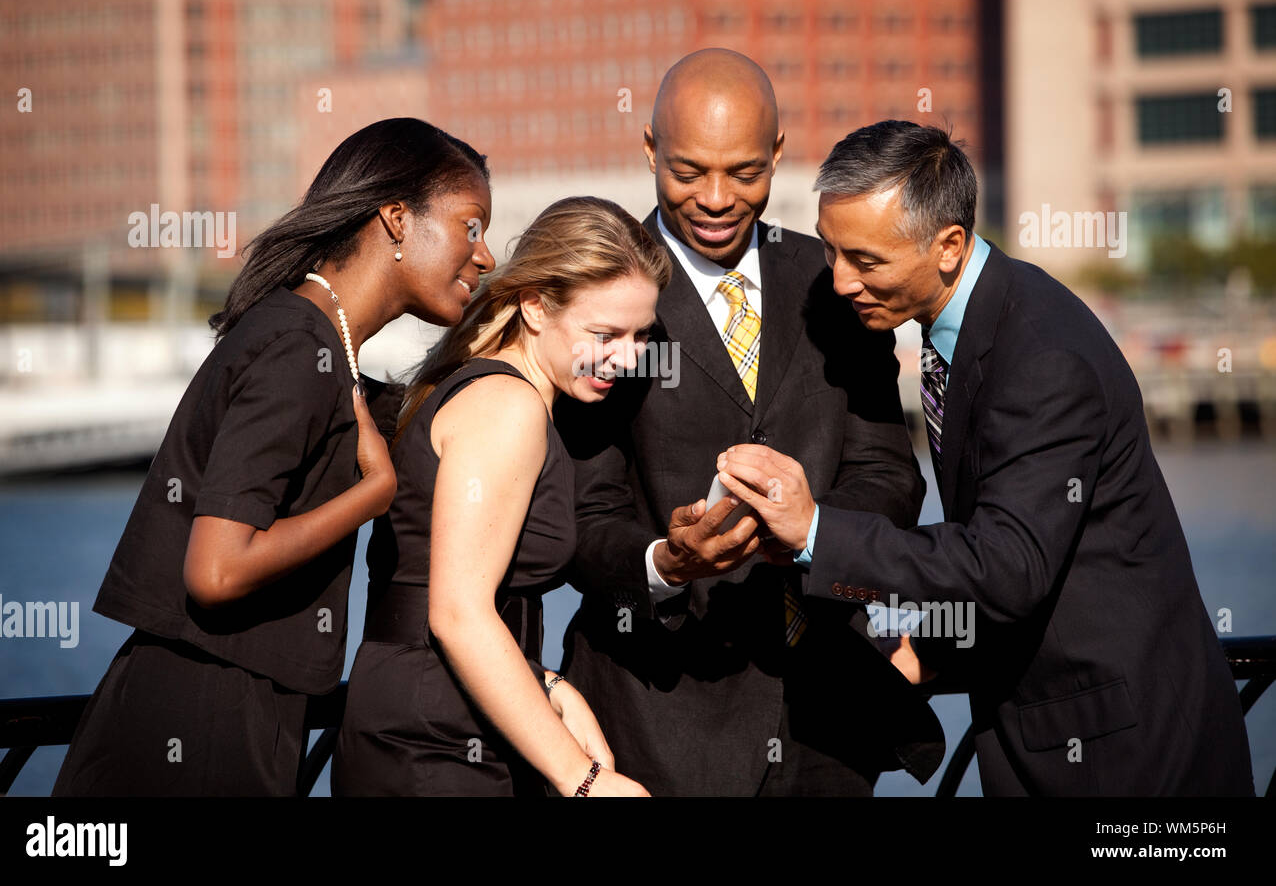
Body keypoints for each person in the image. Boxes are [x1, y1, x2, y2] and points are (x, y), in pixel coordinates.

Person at [718, 119, 1256, 796]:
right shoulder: (980, 321)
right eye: (830, 251)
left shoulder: (1042, 358)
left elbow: (1008, 567)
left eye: (865, 260)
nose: (841, 281)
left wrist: (816, 531)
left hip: (1127, 759)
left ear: (948, 247)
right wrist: (928, 638)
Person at [53, 118, 497, 796]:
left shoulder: (320, 348)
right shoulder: (299, 348)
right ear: (397, 219)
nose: (486, 255)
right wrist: (368, 498)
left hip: (229, 709)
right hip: (204, 722)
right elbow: (217, 571)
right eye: (471, 227)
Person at [551, 49, 945, 796]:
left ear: (778, 154)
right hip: (654, 725)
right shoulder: (599, 299)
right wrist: (667, 561)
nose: (717, 198)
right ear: (649, 151)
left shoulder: (836, 284)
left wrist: (812, 532)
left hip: (824, 726)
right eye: (688, 171)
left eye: (744, 172)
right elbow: (584, 514)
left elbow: (889, 471)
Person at [332, 196, 666, 797]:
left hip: (429, 712)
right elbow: (457, 614)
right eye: (605, 333)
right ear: (535, 306)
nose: (629, 357)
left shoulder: (486, 390)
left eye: (641, 334)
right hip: (433, 736)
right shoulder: (507, 407)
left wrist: (548, 686)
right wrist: (584, 780)